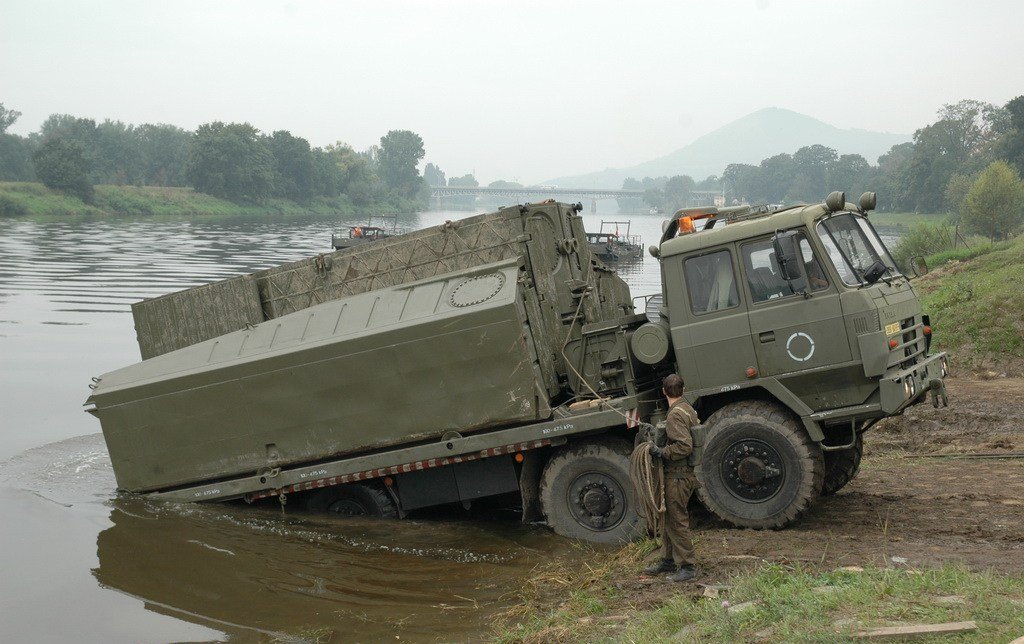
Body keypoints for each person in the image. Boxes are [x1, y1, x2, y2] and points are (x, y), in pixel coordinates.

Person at [643, 373, 700, 582]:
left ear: (664, 392)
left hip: (677, 477)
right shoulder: (687, 409)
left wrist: (661, 452)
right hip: (680, 475)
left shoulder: (675, 414)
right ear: (683, 390)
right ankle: (667, 561)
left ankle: (688, 567)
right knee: (668, 517)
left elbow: (684, 446)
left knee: (677, 520)